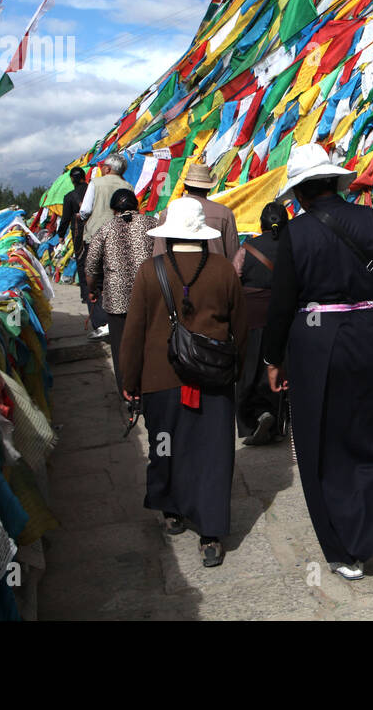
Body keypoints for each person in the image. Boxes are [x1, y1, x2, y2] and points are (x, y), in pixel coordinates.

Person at [262, 143, 373, 581]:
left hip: (317, 345)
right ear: (335, 181)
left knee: (325, 443)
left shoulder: (294, 234)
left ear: (298, 193)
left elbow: (281, 306)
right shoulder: (370, 219)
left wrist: (273, 359)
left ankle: (345, 551)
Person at [120, 197, 249, 568]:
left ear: (170, 238)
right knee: (212, 453)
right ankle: (211, 535)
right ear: (205, 236)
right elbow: (240, 330)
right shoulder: (225, 270)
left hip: (160, 382)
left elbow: (134, 333)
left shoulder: (150, 271)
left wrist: (130, 380)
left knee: (164, 446)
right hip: (214, 382)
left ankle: (171, 509)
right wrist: (234, 373)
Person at [84, 188, 158, 395]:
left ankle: (128, 391)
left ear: (113, 209)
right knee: (151, 344)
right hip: (149, 296)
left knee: (122, 348)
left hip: (118, 300)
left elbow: (91, 266)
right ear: (136, 205)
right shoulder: (152, 224)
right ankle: (151, 389)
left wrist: (92, 290)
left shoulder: (105, 229)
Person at [232, 202, 289, 445]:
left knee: (248, 369)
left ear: (261, 225)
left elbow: (234, 278)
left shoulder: (247, 248)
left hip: (251, 315)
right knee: (278, 366)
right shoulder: (292, 247)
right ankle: (275, 424)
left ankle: (253, 419)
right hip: (283, 316)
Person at [79, 154, 133, 338]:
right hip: (121, 236)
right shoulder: (127, 186)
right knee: (116, 277)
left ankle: (101, 323)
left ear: (108, 168)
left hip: (96, 235)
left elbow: (85, 210)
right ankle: (117, 319)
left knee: (94, 277)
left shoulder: (96, 183)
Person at [152, 162, 238, 258]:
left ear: (185, 187)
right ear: (209, 189)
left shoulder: (169, 212)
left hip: (175, 270)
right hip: (215, 271)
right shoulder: (224, 213)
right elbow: (233, 255)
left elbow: (159, 254)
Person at [59, 166, 89, 310]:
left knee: (82, 261)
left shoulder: (70, 196)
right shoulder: (93, 191)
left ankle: (86, 294)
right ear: (84, 177)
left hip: (79, 232)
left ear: (72, 179)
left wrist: (60, 235)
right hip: (96, 229)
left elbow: (65, 219)